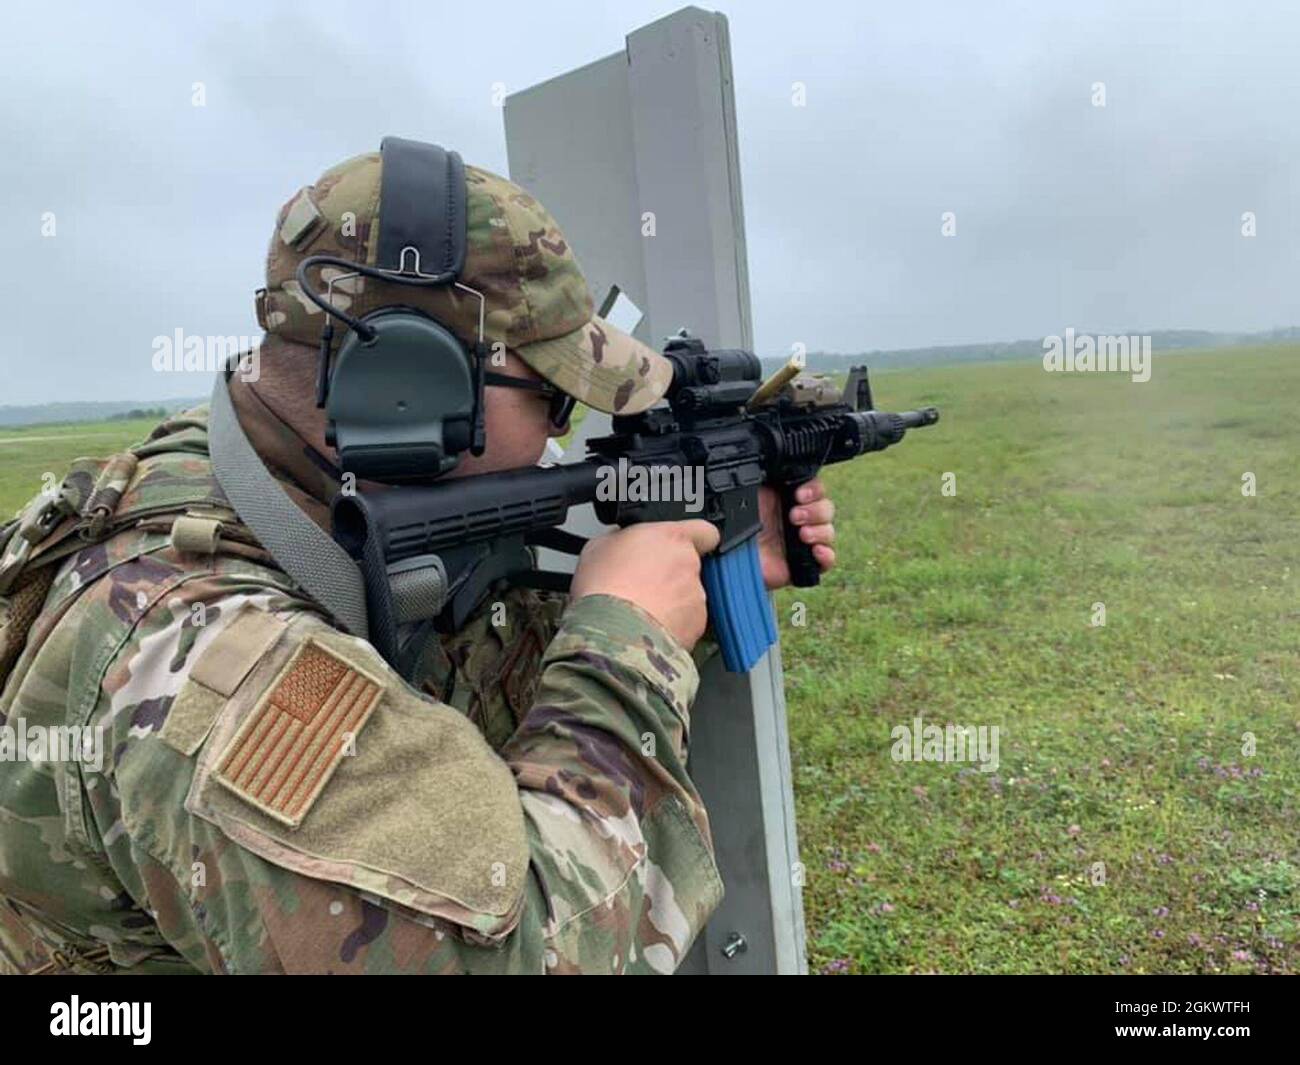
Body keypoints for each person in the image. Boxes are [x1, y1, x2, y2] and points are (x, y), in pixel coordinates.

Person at [0, 147, 836, 974]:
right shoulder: (208, 665)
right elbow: (528, 950)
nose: (558, 432)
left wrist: (701, 567)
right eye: (549, 393)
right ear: (409, 384)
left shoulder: (260, 466)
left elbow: (418, 668)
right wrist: (628, 643)